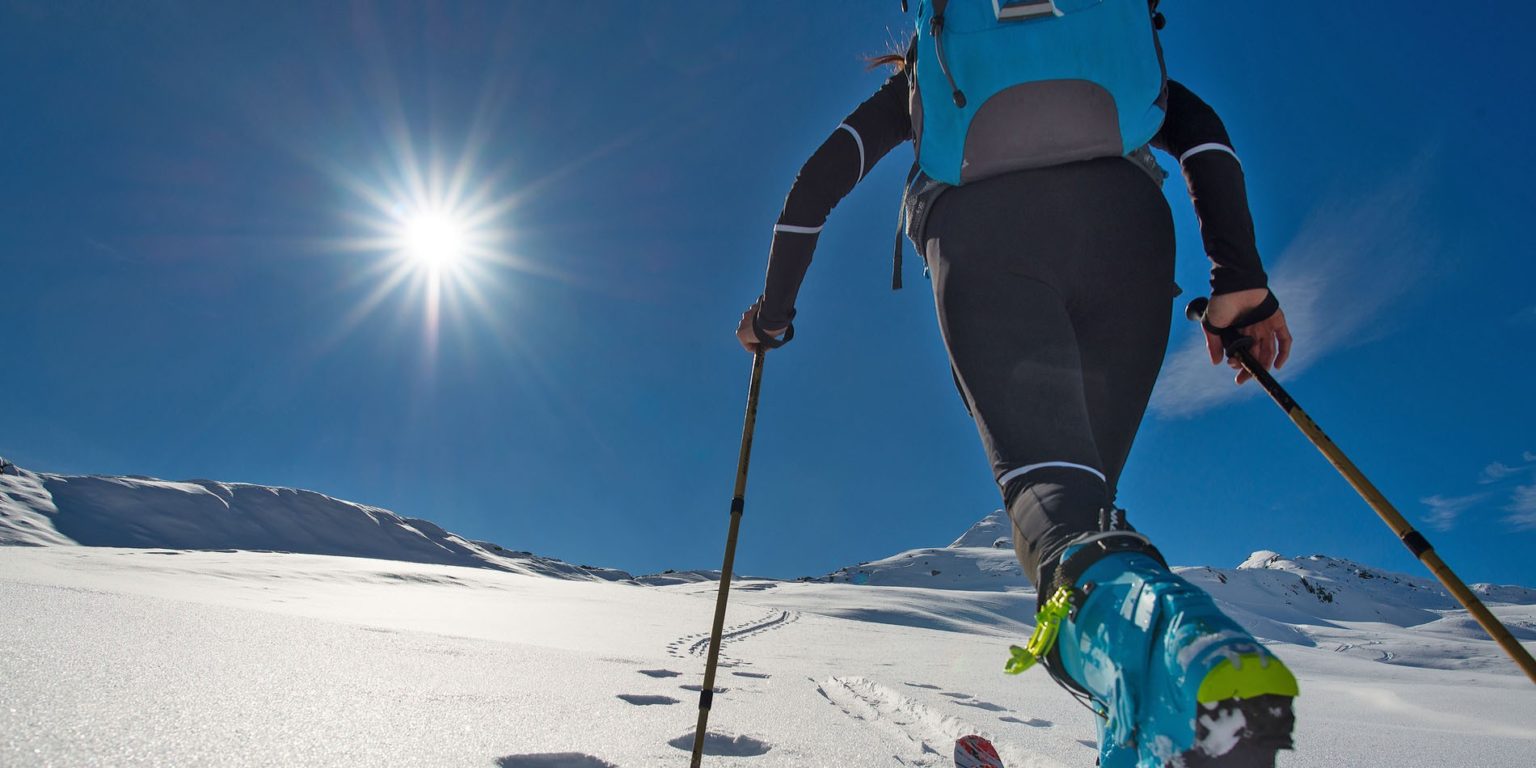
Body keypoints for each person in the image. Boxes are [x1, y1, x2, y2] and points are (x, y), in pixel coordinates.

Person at [735, 8, 1298, 768]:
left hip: (984, 236)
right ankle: (1139, 725)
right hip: (1129, 233)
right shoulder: (1105, 34)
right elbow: (1199, 132)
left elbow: (813, 188)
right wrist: (1241, 280)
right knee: (1090, 514)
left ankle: (1182, 663)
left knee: (1059, 512)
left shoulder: (926, 75)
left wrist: (773, 314)